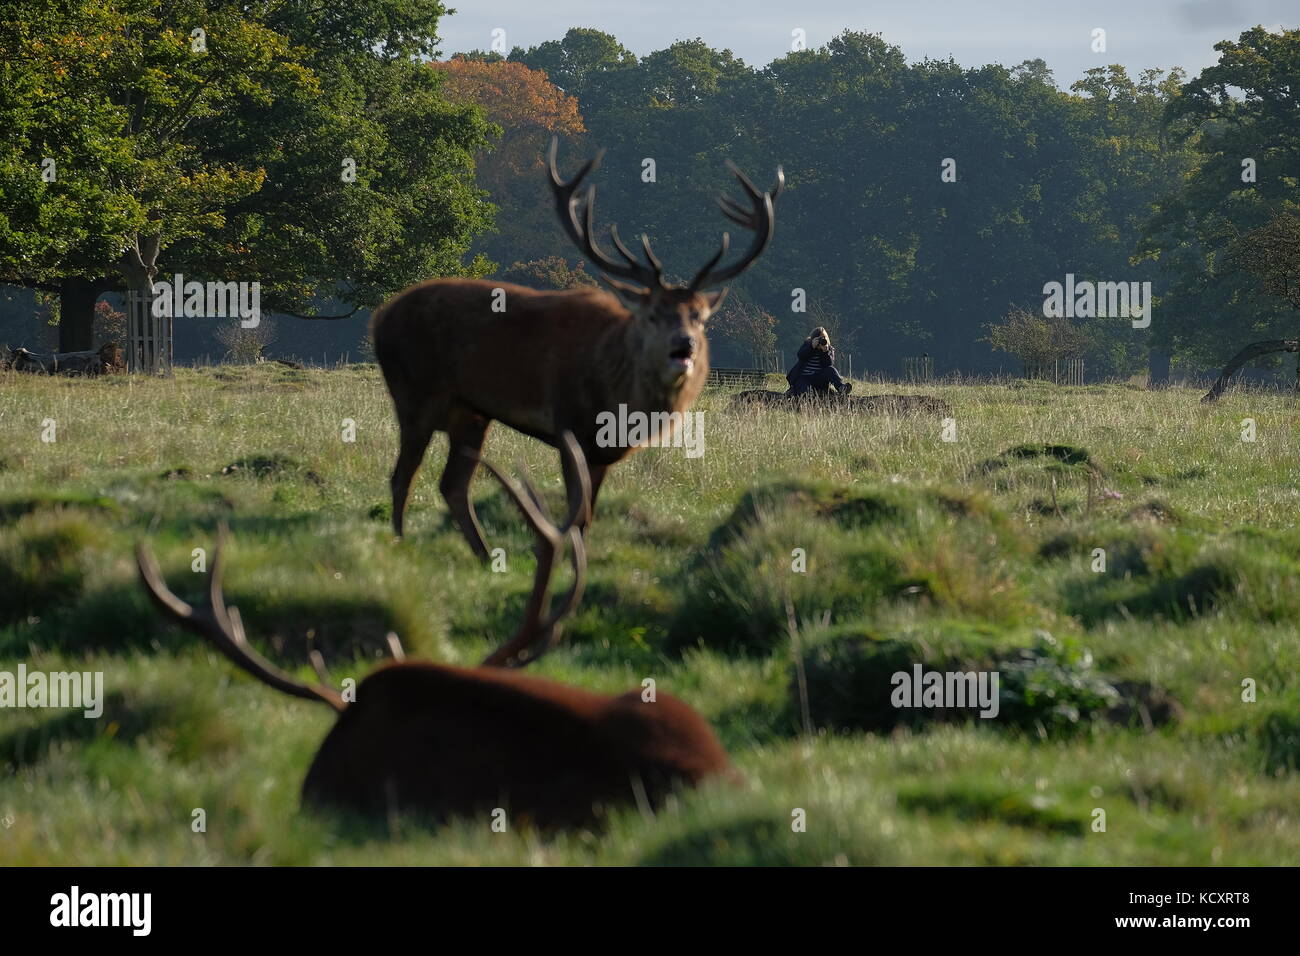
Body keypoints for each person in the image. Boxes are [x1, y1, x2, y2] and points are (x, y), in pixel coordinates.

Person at [786, 326, 851, 397]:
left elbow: (828, 364)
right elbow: (801, 356)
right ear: (813, 338)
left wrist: (825, 352)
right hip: (804, 377)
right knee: (805, 393)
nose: (821, 340)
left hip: (818, 378)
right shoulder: (807, 344)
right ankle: (797, 391)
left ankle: (841, 387)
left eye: (824, 338)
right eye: (819, 338)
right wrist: (811, 347)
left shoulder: (829, 349)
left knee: (831, 370)